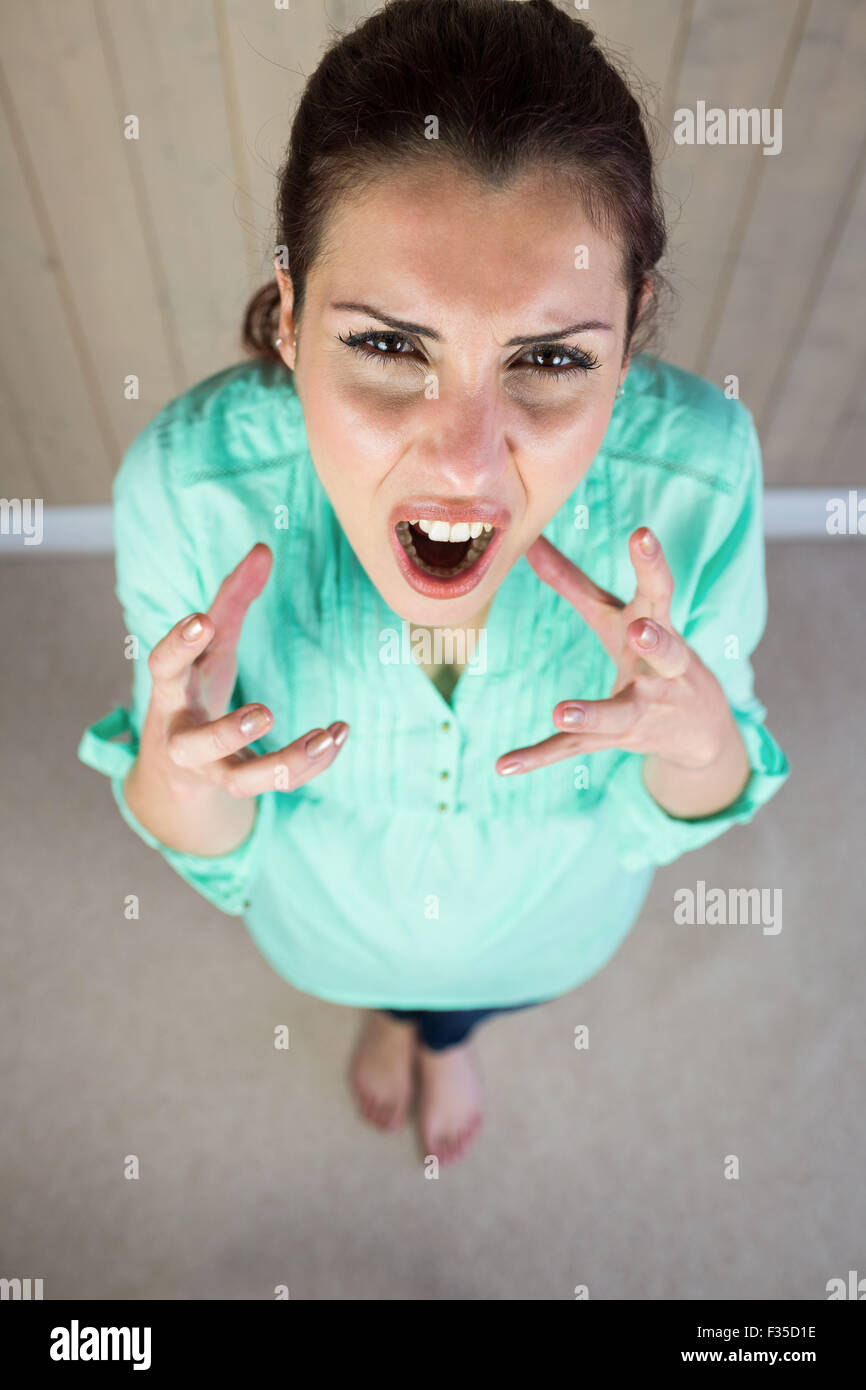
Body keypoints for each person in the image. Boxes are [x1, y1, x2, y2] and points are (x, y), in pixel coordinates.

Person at [78, 0, 789, 1166]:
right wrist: (174, 762)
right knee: (392, 983)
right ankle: (397, 1014)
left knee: (461, 998)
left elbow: (692, 797)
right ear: (295, 311)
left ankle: (447, 1031)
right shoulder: (187, 483)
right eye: (389, 345)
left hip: (543, 928)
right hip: (328, 928)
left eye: (552, 358)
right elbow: (204, 834)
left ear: (631, 327)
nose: (461, 461)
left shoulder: (700, 473)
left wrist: (699, 734)